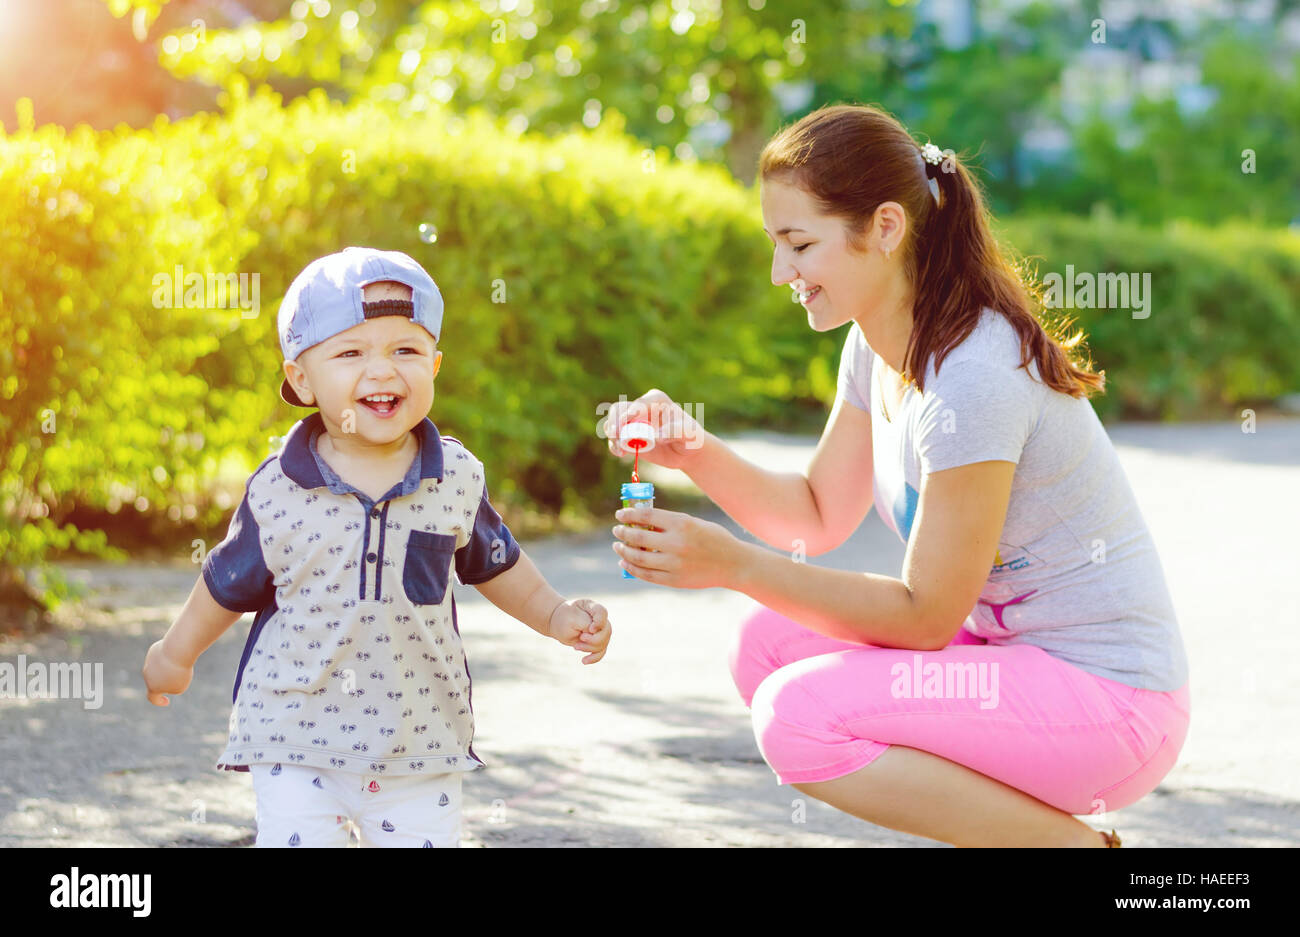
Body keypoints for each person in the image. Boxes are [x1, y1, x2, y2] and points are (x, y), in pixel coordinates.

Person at [605, 104, 1189, 848]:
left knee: (799, 715)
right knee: (766, 646)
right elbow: (816, 513)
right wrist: (690, 449)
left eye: (799, 244)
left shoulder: (974, 374)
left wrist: (731, 563)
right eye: (774, 244)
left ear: (885, 228)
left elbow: (923, 616)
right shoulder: (873, 342)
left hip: (1117, 704)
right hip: (1014, 661)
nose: (781, 272)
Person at [143, 246, 611, 847]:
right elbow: (224, 584)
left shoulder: (456, 478)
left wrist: (556, 614)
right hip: (295, 733)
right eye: (351, 352)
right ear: (301, 378)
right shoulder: (278, 489)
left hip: (421, 737)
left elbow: (499, 564)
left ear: (435, 365)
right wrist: (174, 655)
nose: (384, 371)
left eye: (405, 350)